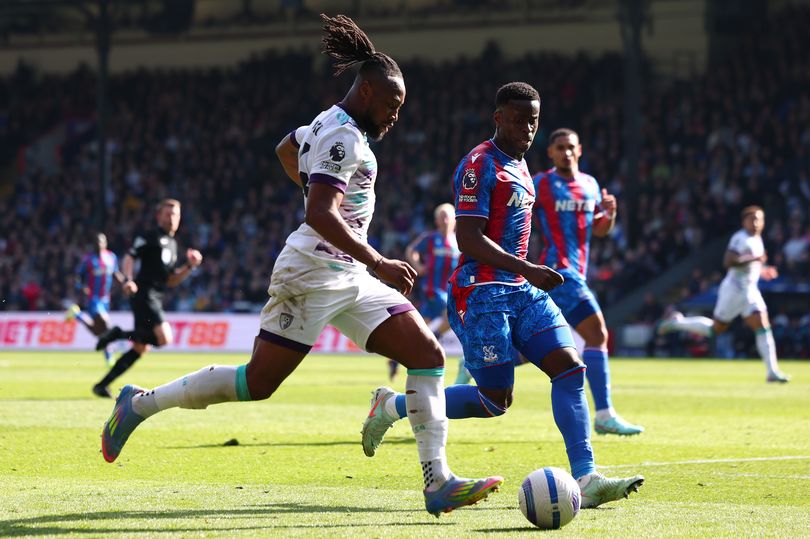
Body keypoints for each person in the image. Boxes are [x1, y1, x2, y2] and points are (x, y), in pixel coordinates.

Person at [99, 14, 501, 518]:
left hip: (346, 273)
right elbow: (318, 212)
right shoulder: (346, 139)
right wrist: (375, 257)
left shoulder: (326, 121)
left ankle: (437, 482)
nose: (397, 115)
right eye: (393, 104)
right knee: (257, 384)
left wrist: (324, 206)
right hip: (311, 273)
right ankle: (137, 403)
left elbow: (285, 149)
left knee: (426, 355)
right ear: (370, 91)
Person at [361, 82, 644, 509]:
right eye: (517, 119)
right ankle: (393, 406)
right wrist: (528, 267)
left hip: (520, 289)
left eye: (532, 120)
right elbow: (468, 239)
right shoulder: (480, 165)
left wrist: (528, 273)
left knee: (570, 368)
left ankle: (586, 478)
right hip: (480, 292)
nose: (527, 128)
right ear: (498, 118)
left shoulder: (522, 164)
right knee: (494, 400)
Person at [532, 128, 644, 435]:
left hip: (577, 272)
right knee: (598, 334)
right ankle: (605, 414)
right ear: (550, 153)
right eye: (560, 147)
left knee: (539, 343)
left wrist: (610, 215)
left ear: (579, 150)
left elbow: (598, 229)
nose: (566, 152)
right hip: (558, 271)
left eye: (570, 147)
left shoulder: (591, 185)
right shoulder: (541, 183)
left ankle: (475, 365)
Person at [657, 206, 790, 383]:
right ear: (744, 222)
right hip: (733, 290)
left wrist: (762, 270)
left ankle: (772, 372)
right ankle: (677, 323)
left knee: (762, 324)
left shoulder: (757, 240)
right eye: (752, 219)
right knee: (715, 330)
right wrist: (755, 260)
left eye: (760, 219)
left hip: (749, 290)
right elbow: (729, 261)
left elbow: (750, 266)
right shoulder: (740, 238)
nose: (756, 223)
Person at [92, 199, 203, 397]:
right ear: (158, 216)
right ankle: (117, 334)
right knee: (164, 338)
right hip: (143, 293)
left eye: (175, 214)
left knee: (140, 347)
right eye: (167, 214)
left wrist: (189, 266)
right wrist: (128, 279)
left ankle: (102, 384)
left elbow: (170, 280)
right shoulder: (150, 236)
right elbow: (129, 256)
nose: (171, 218)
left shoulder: (173, 244)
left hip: (156, 296)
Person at [386, 203, 468, 383]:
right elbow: (411, 250)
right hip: (432, 290)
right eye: (442, 216)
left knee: (417, 331)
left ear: (454, 220)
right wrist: (418, 267)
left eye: (448, 216)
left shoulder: (457, 242)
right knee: (451, 313)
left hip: (447, 290)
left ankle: (395, 357)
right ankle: (436, 337)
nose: (445, 220)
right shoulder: (431, 239)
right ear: (437, 220)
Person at [65, 232, 120, 364]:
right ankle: (109, 352)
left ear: (105, 243)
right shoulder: (89, 259)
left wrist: (125, 282)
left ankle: (77, 315)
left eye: (101, 241)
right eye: (96, 242)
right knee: (106, 324)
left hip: (106, 298)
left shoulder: (111, 257)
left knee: (98, 331)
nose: (98, 244)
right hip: (93, 298)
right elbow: (78, 275)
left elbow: (116, 273)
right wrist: (81, 287)